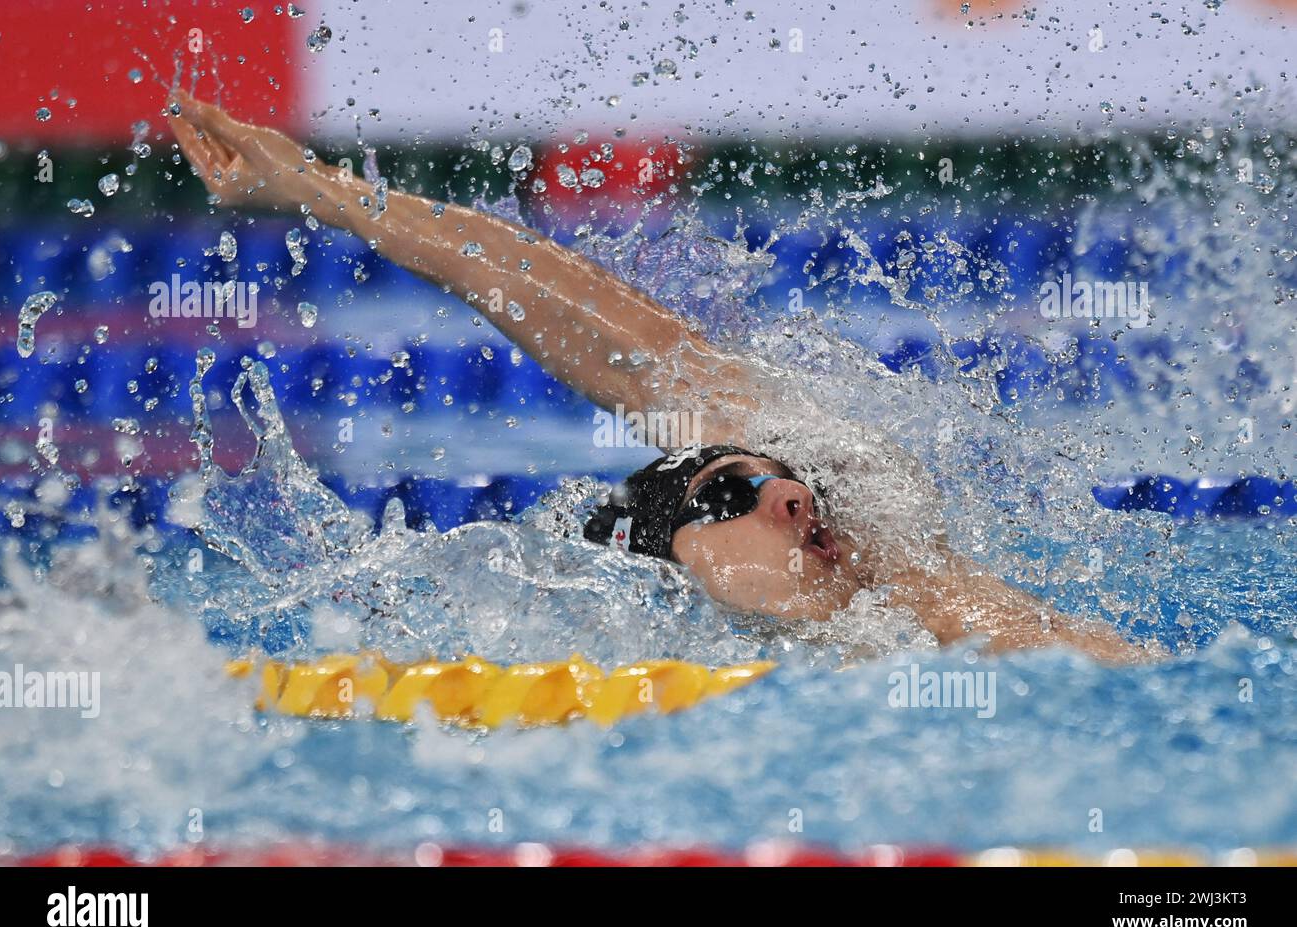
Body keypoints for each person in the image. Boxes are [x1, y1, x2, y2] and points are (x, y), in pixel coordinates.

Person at [168, 92, 1162, 664]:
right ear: (677, 571)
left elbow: (562, 301)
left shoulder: (917, 581)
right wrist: (315, 192)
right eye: (730, 493)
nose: (781, 490)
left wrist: (324, 191)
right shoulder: (730, 651)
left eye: (766, 472)